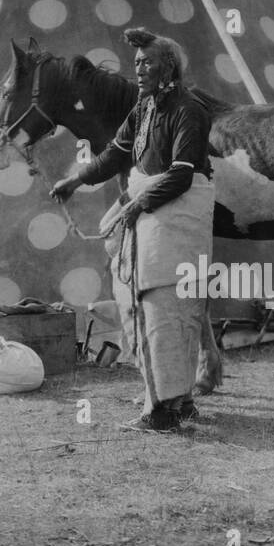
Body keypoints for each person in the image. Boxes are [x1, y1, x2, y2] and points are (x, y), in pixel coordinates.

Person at [51, 27, 214, 432]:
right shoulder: (143, 108)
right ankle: (177, 399)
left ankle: (162, 411)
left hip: (179, 211)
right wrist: (77, 180)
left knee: (166, 303)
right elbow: (116, 153)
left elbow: (182, 175)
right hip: (153, 206)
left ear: (169, 67)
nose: (139, 69)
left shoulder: (187, 110)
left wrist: (139, 204)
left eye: (148, 63)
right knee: (135, 298)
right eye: (137, 62)